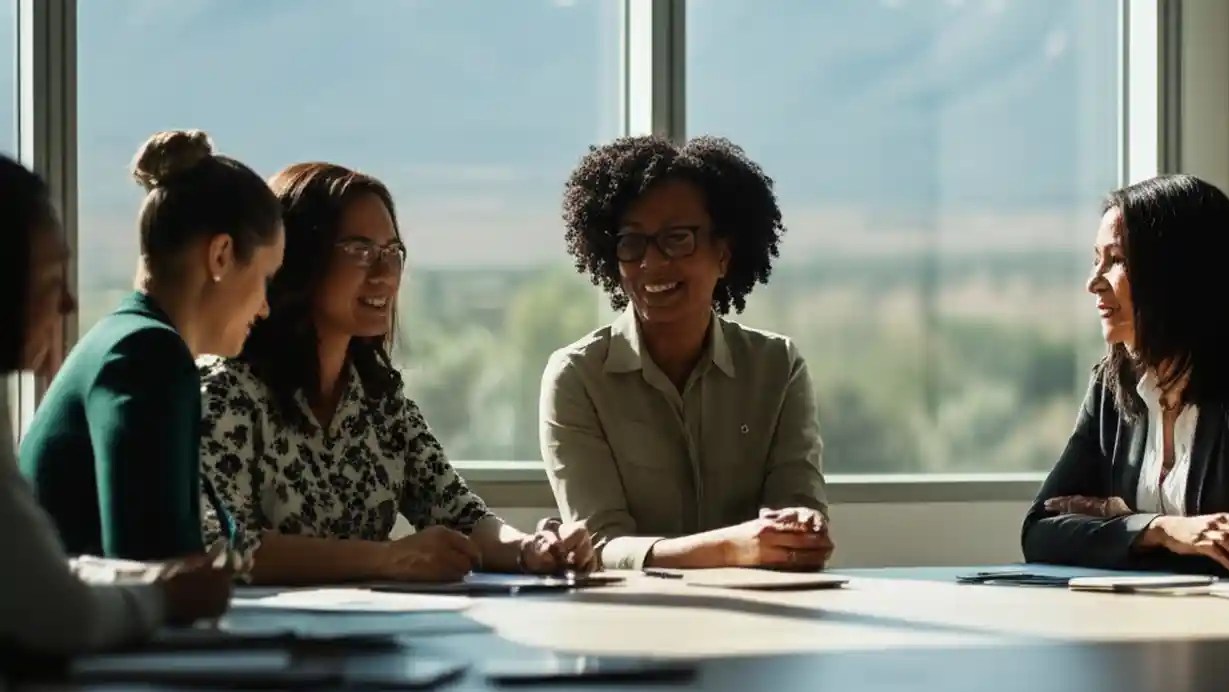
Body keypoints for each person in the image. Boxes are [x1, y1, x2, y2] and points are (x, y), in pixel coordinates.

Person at [199, 161, 594, 584]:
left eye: (392, 253)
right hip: (255, 643)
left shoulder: (380, 402)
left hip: (365, 641)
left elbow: (460, 514)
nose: (385, 274)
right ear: (295, 259)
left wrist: (531, 549)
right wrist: (386, 558)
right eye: (360, 250)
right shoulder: (226, 392)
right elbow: (222, 546)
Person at [541, 135, 832, 571]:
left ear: (724, 255)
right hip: (626, 625)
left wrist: (802, 529)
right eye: (632, 243)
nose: (652, 264)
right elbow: (601, 544)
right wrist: (734, 548)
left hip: (759, 624)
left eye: (677, 239)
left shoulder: (778, 368)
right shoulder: (577, 377)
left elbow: (798, 505)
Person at [0, 154, 229, 657]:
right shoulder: (147, 350)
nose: (67, 305)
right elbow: (54, 612)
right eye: (46, 278)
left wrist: (138, 580)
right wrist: (162, 596)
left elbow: (24, 572)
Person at [19, 130, 285, 561]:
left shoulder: (126, 338)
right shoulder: (148, 355)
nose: (266, 308)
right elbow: (155, 573)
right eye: (265, 278)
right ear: (220, 255)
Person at [1022, 174, 1229, 576]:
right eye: (1096, 260)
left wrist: (1112, 524)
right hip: (1135, 627)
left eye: (1117, 260)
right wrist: (1159, 529)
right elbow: (1039, 532)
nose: (1094, 282)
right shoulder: (1110, 387)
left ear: (1178, 273)